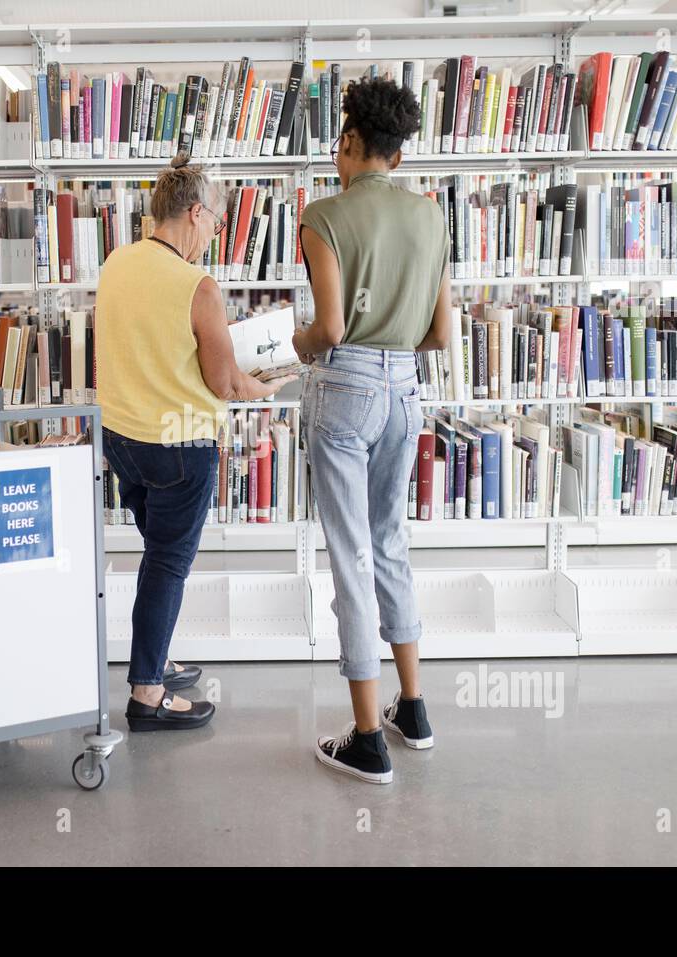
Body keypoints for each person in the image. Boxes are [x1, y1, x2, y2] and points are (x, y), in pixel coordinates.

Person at [293, 76, 455, 783]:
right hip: (405, 389)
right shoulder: (432, 218)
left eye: (339, 140)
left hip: (346, 386)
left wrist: (286, 345)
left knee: (351, 556)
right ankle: (411, 709)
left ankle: (366, 738)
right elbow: (440, 333)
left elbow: (328, 329)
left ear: (353, 141)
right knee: (390, 543)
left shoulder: (323, 215)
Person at [97, 154, 295, 732]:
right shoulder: (197, 286)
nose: (216, 232)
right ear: (195, 212)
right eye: (216, 221)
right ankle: (147, 694)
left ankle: (153, 658)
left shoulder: (116, 263)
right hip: (179, 445)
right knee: (166, 562)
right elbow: (225, 382)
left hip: (122, 439)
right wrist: (269, 384)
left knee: (158, 552)